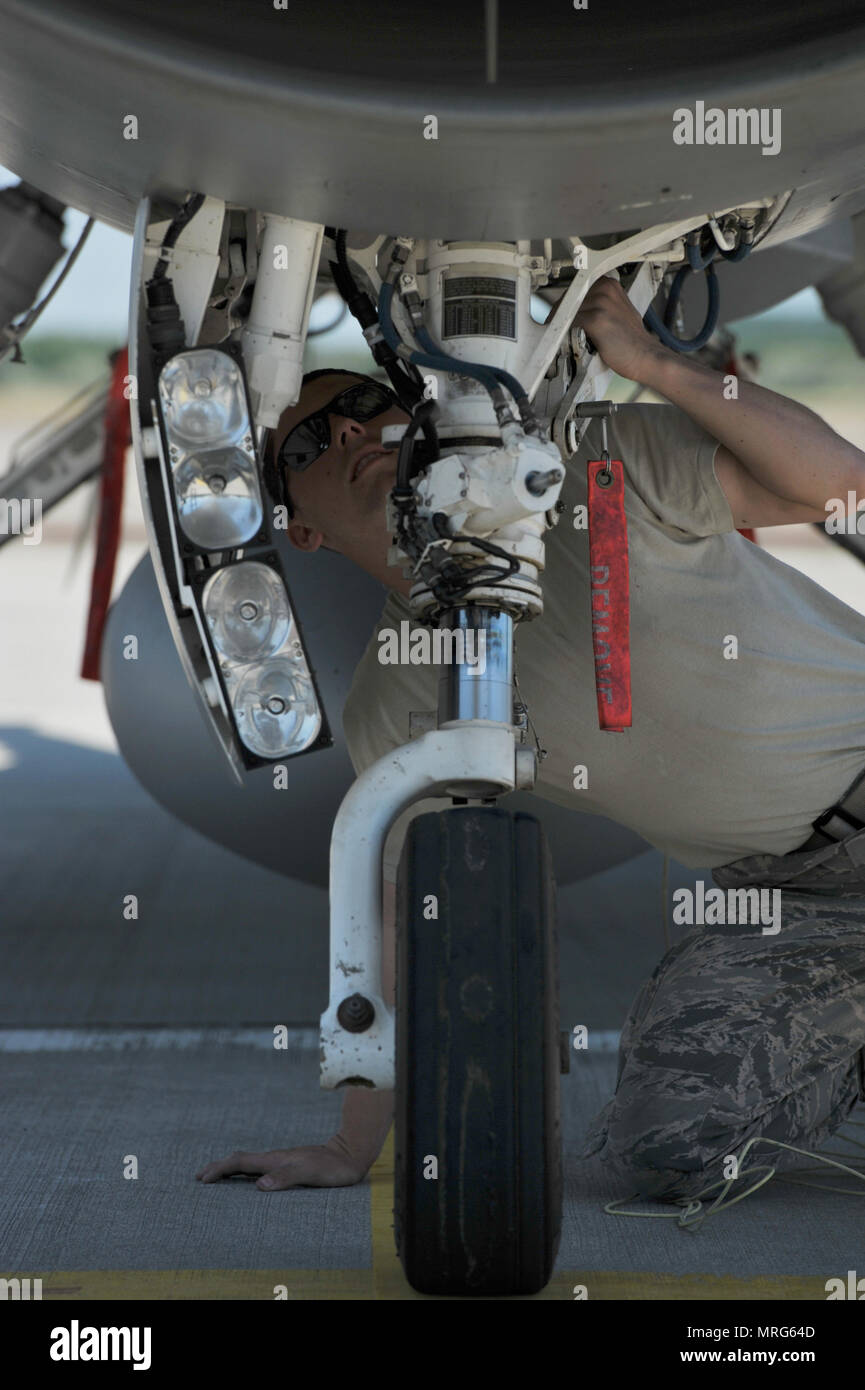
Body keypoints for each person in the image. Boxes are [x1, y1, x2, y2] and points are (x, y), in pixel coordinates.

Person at [196, 276, 865, 1201]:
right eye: (307, 444)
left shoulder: (590, 463)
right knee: (665, 1150)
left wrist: (658, 366)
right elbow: (400, 930)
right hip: (802, 902)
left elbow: (839, 486)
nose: (348, 433)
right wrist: (355, 1147)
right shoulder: (399, 702)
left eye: (359, 405)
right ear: (297, 527)